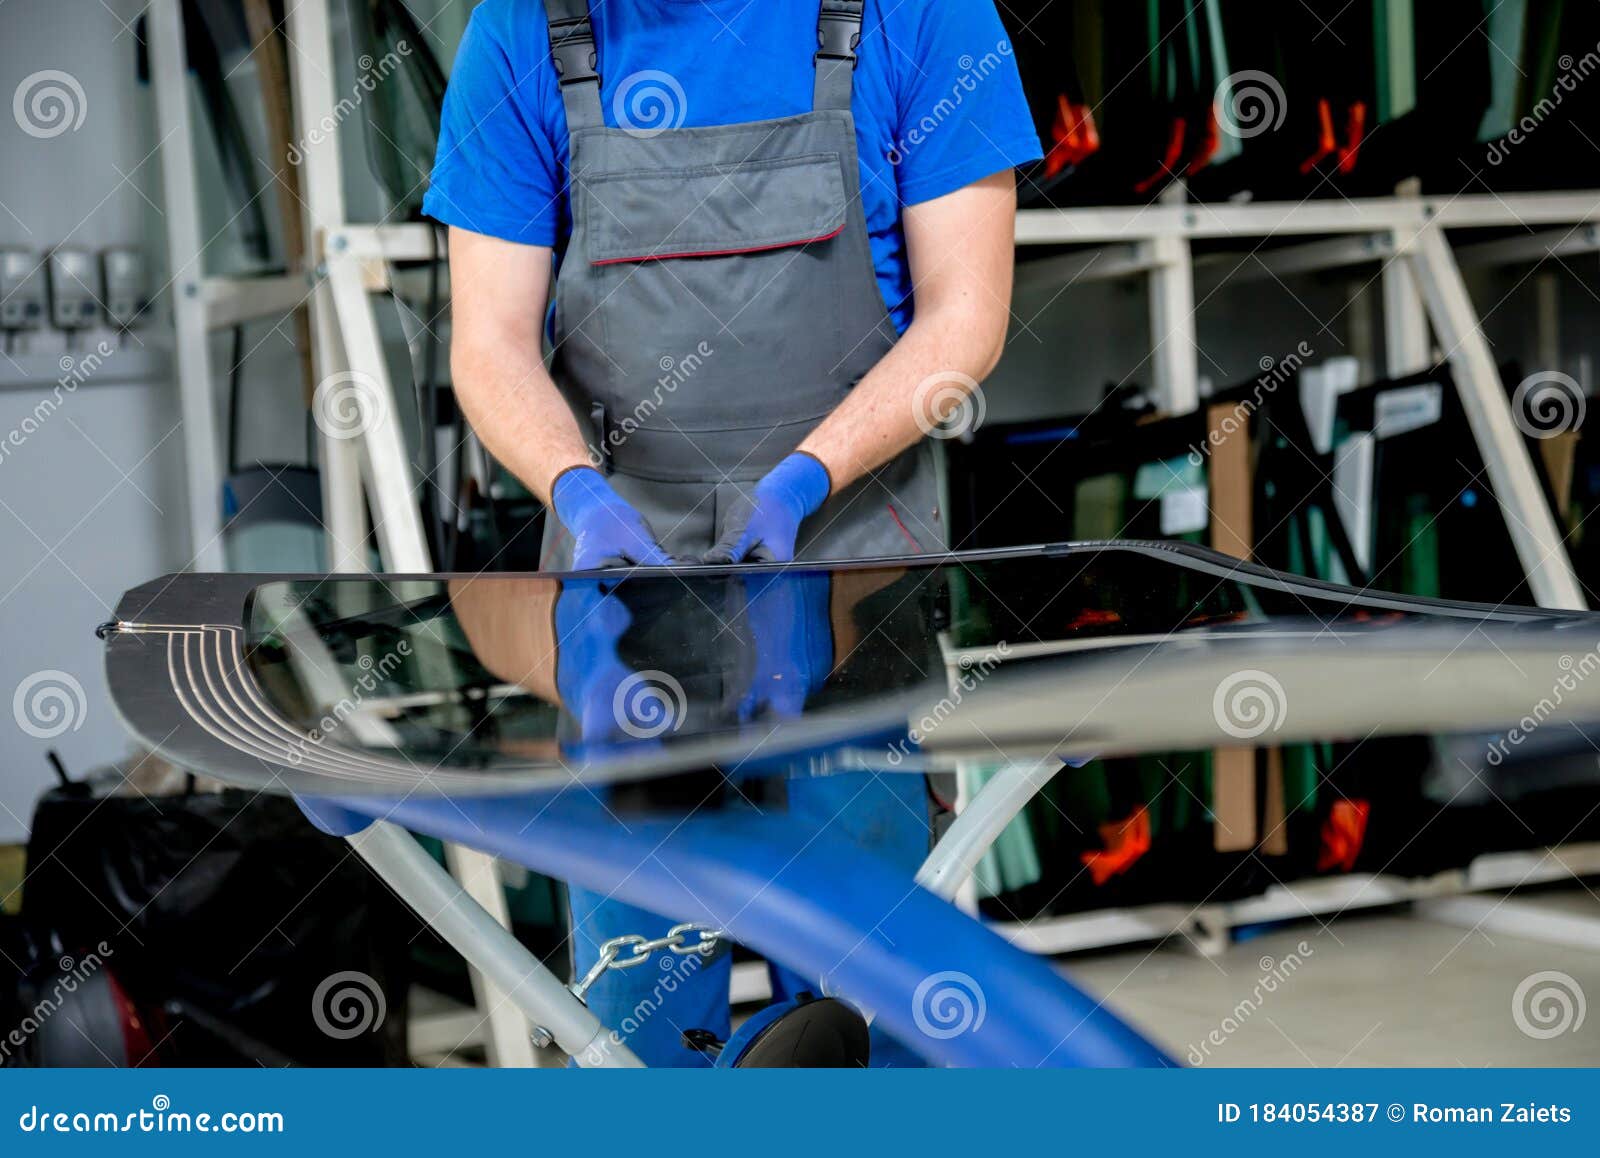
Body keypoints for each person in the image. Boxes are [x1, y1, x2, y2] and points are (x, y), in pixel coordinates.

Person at [424, 0, 1040, 1065]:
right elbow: (486, 345)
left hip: (852, 569)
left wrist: (805, 478)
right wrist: (577, 493)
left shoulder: (921, 15)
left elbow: (965, 319)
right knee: (639, 1019)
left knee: (869, 1003)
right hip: (625, 587)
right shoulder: (524, 27)